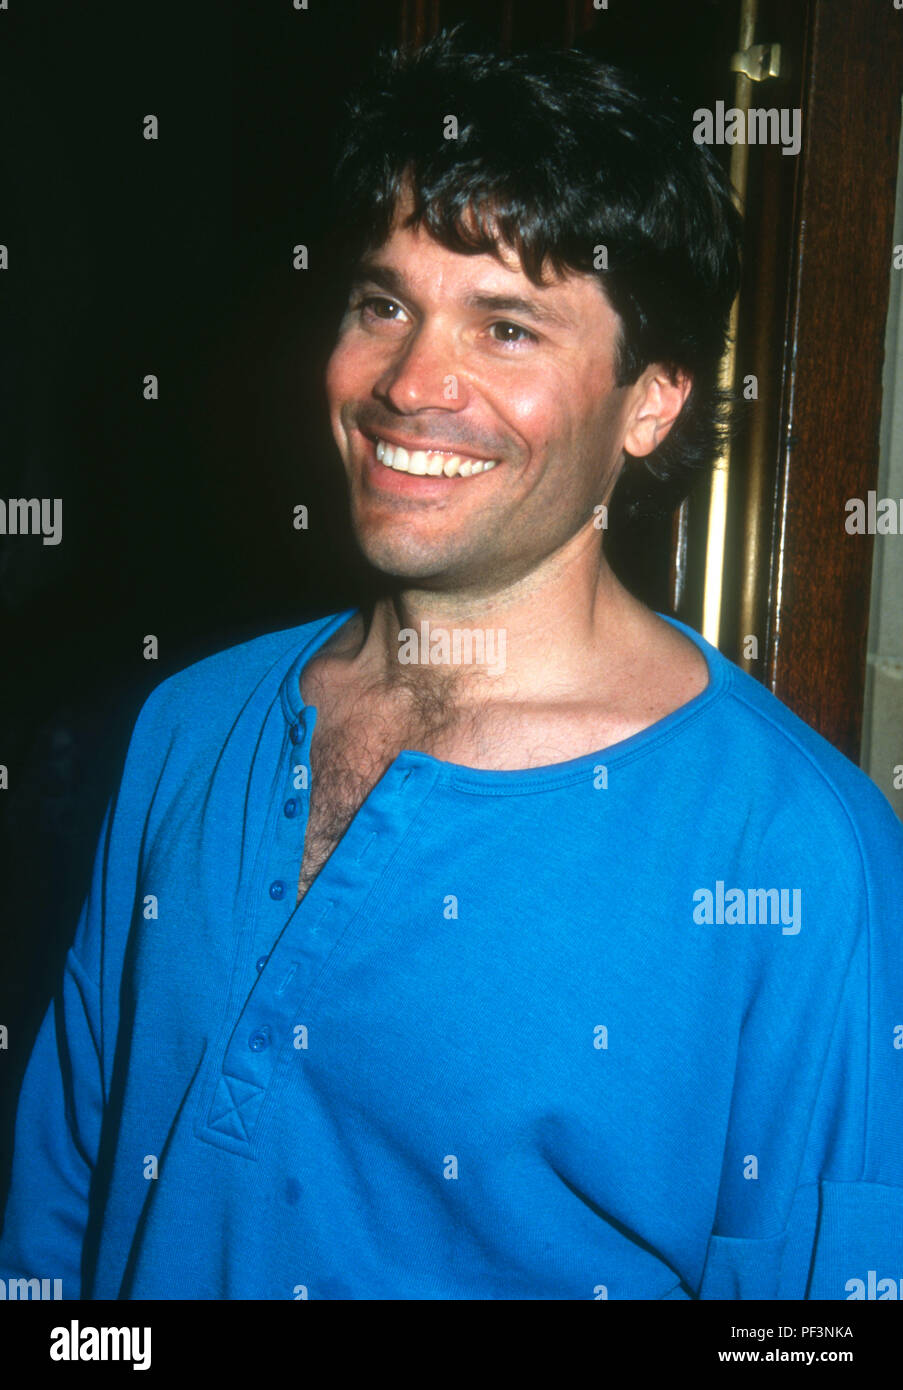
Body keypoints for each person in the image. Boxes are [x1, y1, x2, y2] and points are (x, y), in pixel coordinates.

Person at [1, 29, 901, 1302]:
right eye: (385, 304)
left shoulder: (798, 856)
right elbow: (53, 1221)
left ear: (651, 403)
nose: (413, 383)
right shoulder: (186, 729)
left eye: (509, 327)